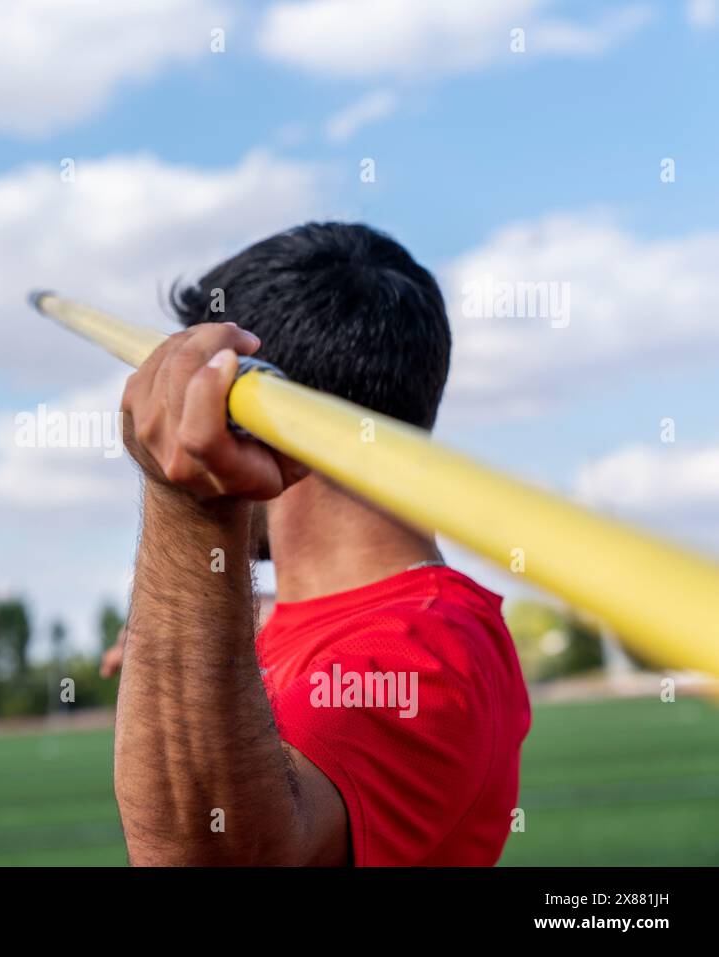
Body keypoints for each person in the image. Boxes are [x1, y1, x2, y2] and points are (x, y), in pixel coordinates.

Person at [108, 222, 530, 866]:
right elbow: (282, 621)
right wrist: (170, 639)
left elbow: (207, 858)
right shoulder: (337, 620)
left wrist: (190, 507)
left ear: (251, 419)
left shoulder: (423, 653)